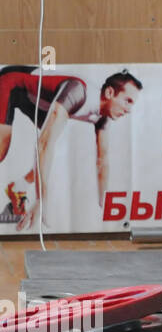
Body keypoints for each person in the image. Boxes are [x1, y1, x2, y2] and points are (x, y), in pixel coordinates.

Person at [0, 67, 142, 231]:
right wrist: (41, 200)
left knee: (54, 148)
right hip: (11, 82)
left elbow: (102, 162)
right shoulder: (77, 92)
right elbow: (43, 145)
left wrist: (103, 206)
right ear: (110, 93)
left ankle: (19, 186)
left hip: (36, 99)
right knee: (7, 151)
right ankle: (26, 189)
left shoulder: (104, 117)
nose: (129, 110)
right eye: (128, 101)